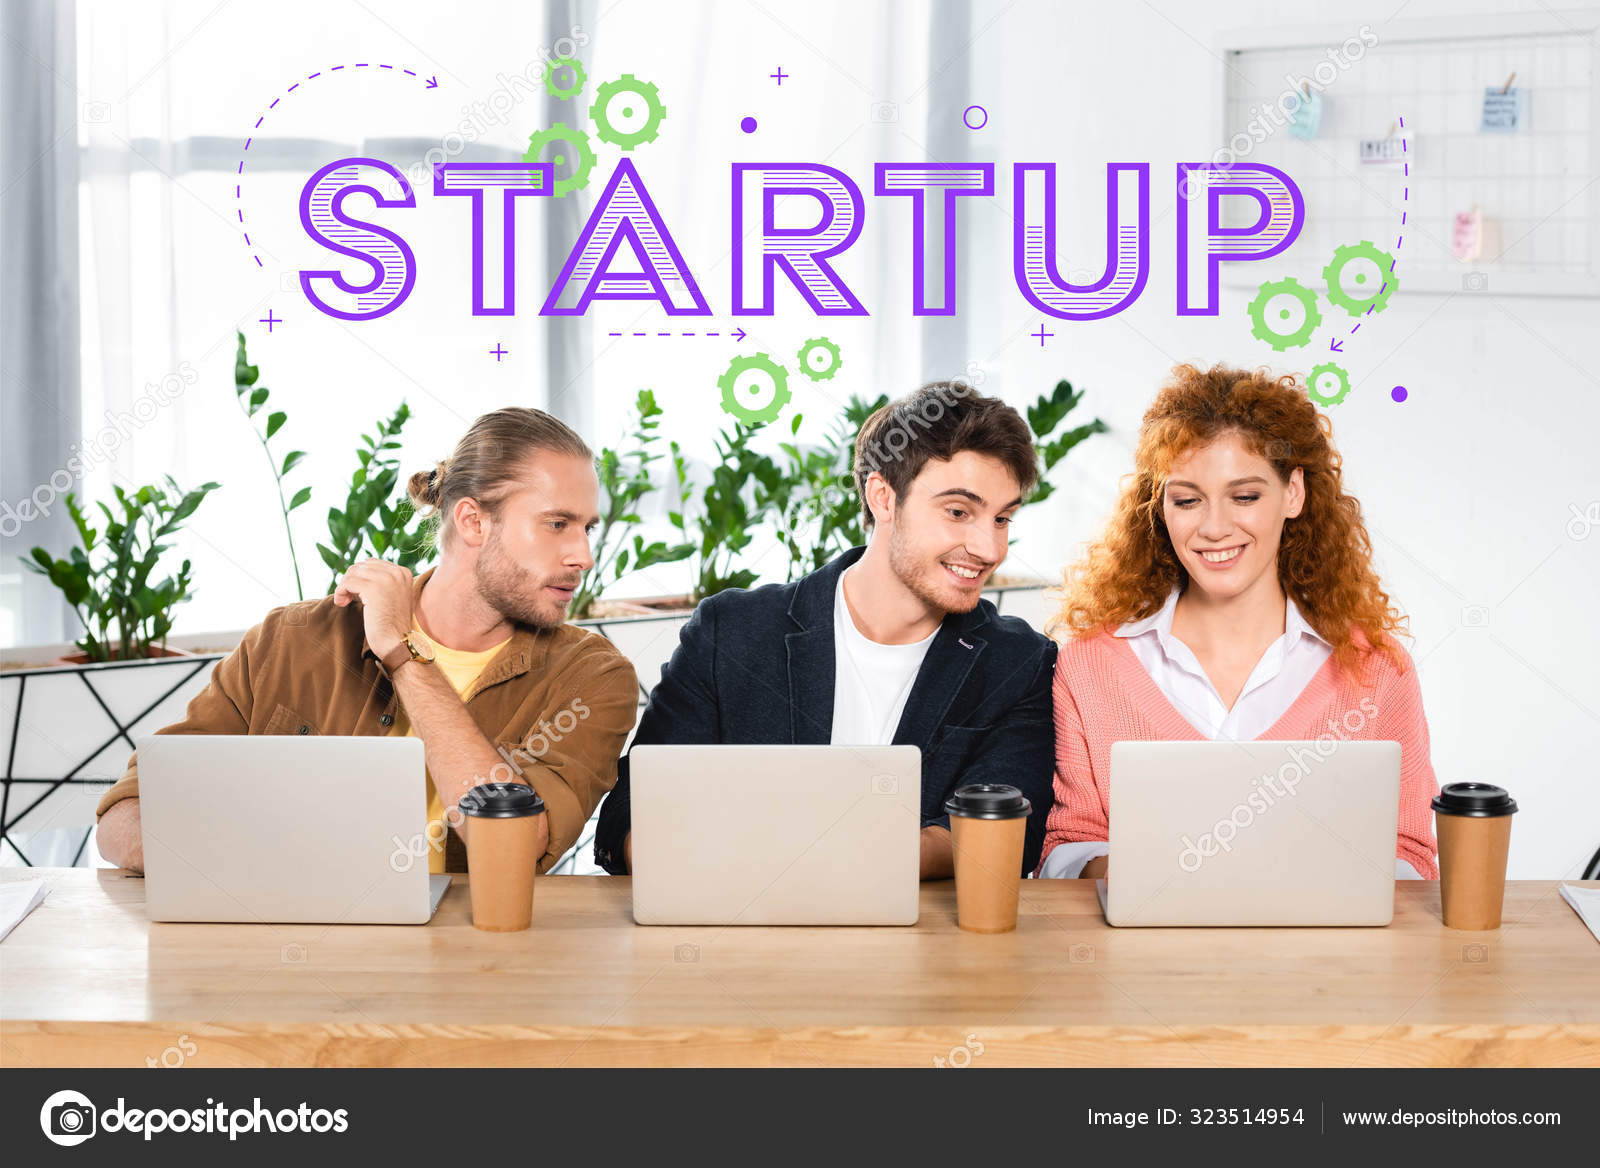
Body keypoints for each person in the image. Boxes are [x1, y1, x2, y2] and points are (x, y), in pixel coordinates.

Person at [94, 407, 639, 877]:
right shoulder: (290, 640)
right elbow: (126, 814)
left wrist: (403, 654)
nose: (583, 556)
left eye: (586, 528)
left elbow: (515, 846)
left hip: (469, 972)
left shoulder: (593, 678)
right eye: (557, 524)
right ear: (473, 521)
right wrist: (263, 873)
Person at [593, 381, 1058, 879]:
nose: (990, 548)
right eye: (959, 512)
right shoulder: (732, 633)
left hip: (923, 948)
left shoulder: (1018, 662)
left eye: (1003, 518)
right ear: (882, 497)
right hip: (734, 937)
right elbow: (631, 816)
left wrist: (792, 852)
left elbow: (1008, 836)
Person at [1038, 363, 1439, 880]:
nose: (1214, 527)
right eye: (1187, 500)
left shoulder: (1377, 670)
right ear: (1160, 507)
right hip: (1145, 958)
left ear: (1293, 493)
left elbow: (1411, 856)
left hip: (1323, 959)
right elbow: (1066, 847)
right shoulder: (1090, 666)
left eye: (1245, 497)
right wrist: (1153, 877)